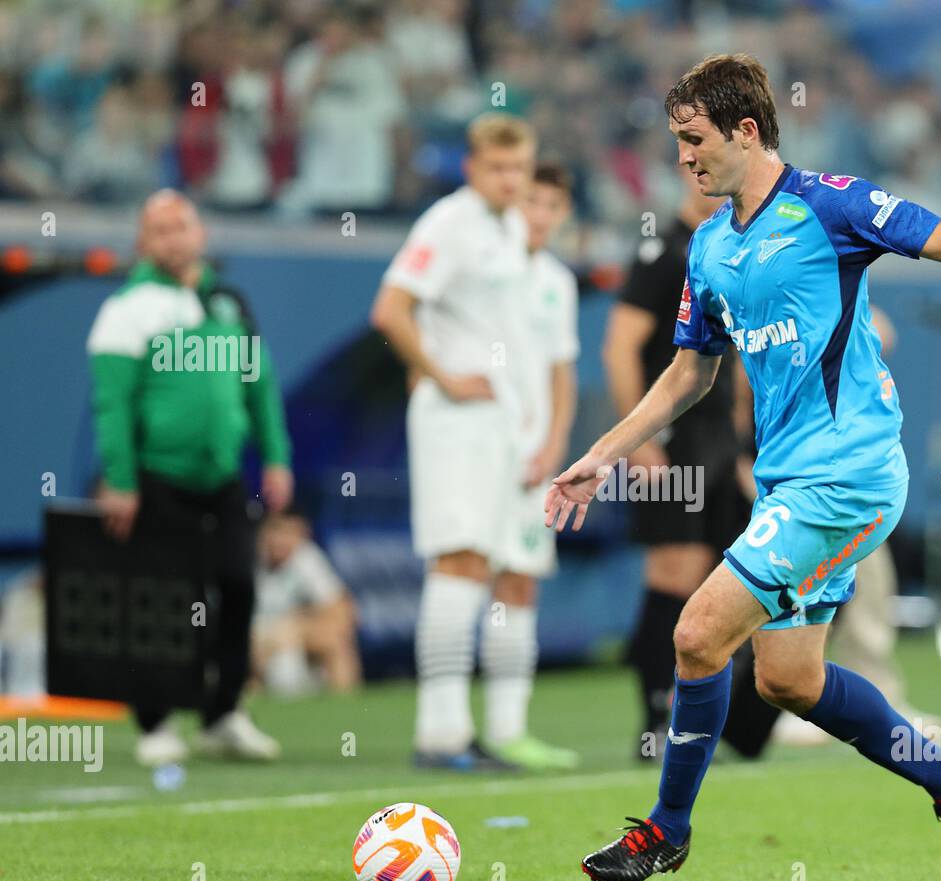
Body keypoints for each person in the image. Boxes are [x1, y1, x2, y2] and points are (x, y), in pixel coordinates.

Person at [545, 54, 941, 881]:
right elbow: (692, 372)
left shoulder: (832, 204)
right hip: (792, 482)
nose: (683, 158)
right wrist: (599, 456)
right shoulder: (712, 247)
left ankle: (665, 831)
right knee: (789, 680)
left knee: (695, 634)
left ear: (746, 131)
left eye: (694, 140)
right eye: (676, 143)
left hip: (852, 474)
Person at [370, 119, 580, 771]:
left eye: (519, 168)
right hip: (458, 423)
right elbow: (391, 309)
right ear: (470, 167)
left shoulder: (513, 232)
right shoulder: (447, 223)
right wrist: (439, 375)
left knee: (512, 574)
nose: (511, 180)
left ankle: (496, 730)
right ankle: (441, 733)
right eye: (498, 168)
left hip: (510, 431)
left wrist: (544, 434)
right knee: (460, 563)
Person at [89, 189, 290, 766]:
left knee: (239, 587)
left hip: (222, 477)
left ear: (200, 232)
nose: (175, 237)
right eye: (161, 229)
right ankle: (155, 722)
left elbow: (260, 386)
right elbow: (113, 404)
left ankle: (223, 713)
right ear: (143, 243)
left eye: (183, 225)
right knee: (164, 601)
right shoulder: (125, 311)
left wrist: (275, 457)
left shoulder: (229, 302)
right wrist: (121, 481)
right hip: (158, 477)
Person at [603, 163, 779, 761]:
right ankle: (655, 719)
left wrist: (738, 449)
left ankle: (725, 721)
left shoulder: (729, 248)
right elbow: (621, 344)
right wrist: (638, 440)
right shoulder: (664, 250)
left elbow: (736, 363)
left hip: (716, 447)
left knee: (716, 582)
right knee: (673, 575)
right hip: (672, 439)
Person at [252, 510, 361, 695]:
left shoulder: (306, 558)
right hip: (254, 644)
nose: (280, 540)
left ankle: (347, 709)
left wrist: (297, 627)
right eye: (275, 531)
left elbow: (346, 613)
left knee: (335, 640)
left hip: (295, 642)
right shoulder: (246, 559)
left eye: (288, 532)